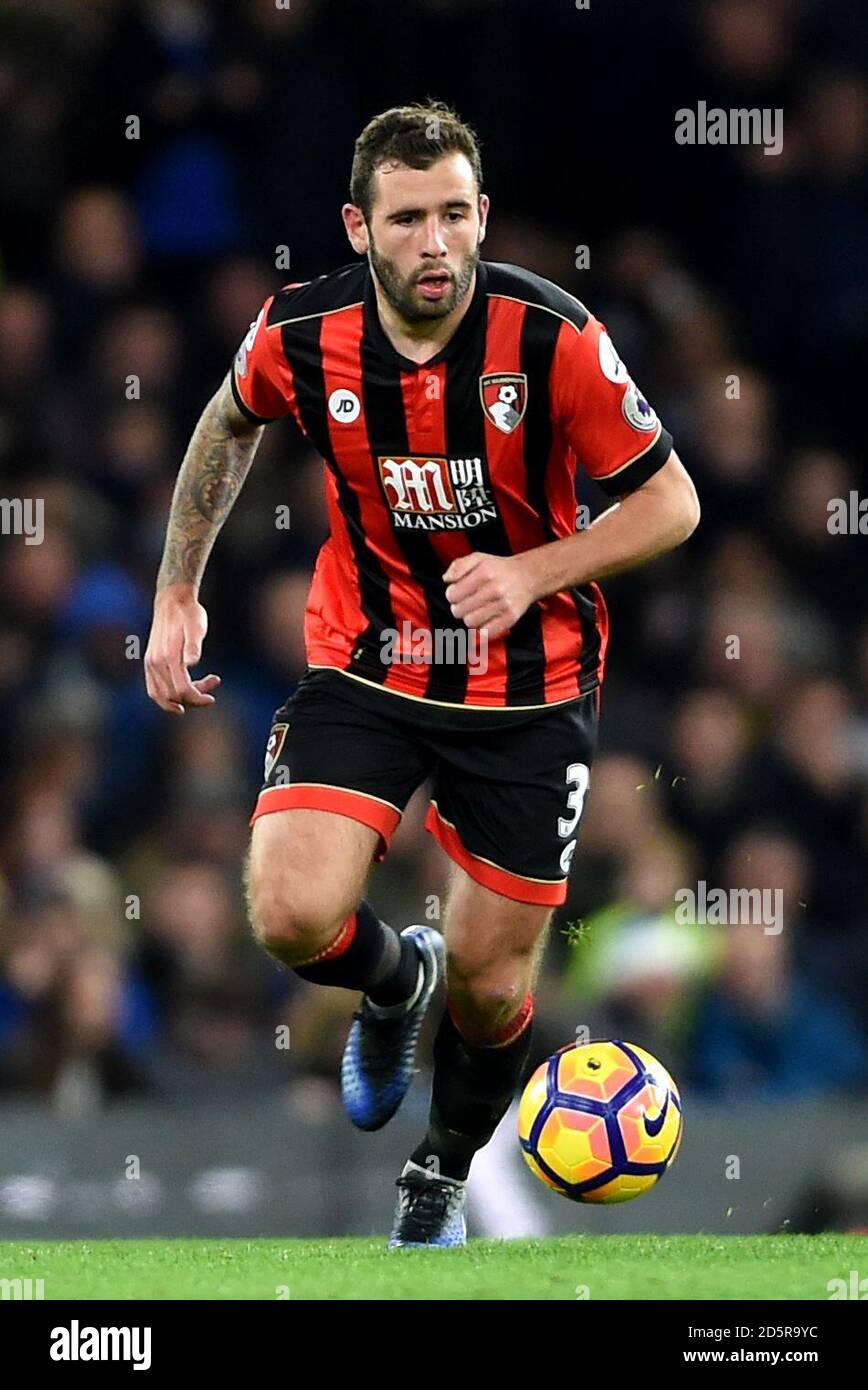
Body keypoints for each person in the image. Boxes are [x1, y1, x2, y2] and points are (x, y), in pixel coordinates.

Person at [144, 101, 700, 1247]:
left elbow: (671, 501)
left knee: (495, 992)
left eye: (455, 214)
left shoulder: (552, 336)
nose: (435, 242)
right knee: (292, 914)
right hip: (369, 660)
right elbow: (226, 418)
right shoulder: (304, 331)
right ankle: (397, 981)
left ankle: (438, 1178)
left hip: (529, 688)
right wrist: (175, 589)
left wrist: (535, 568)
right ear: (360, 227)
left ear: (482, 214)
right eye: (408, 219)